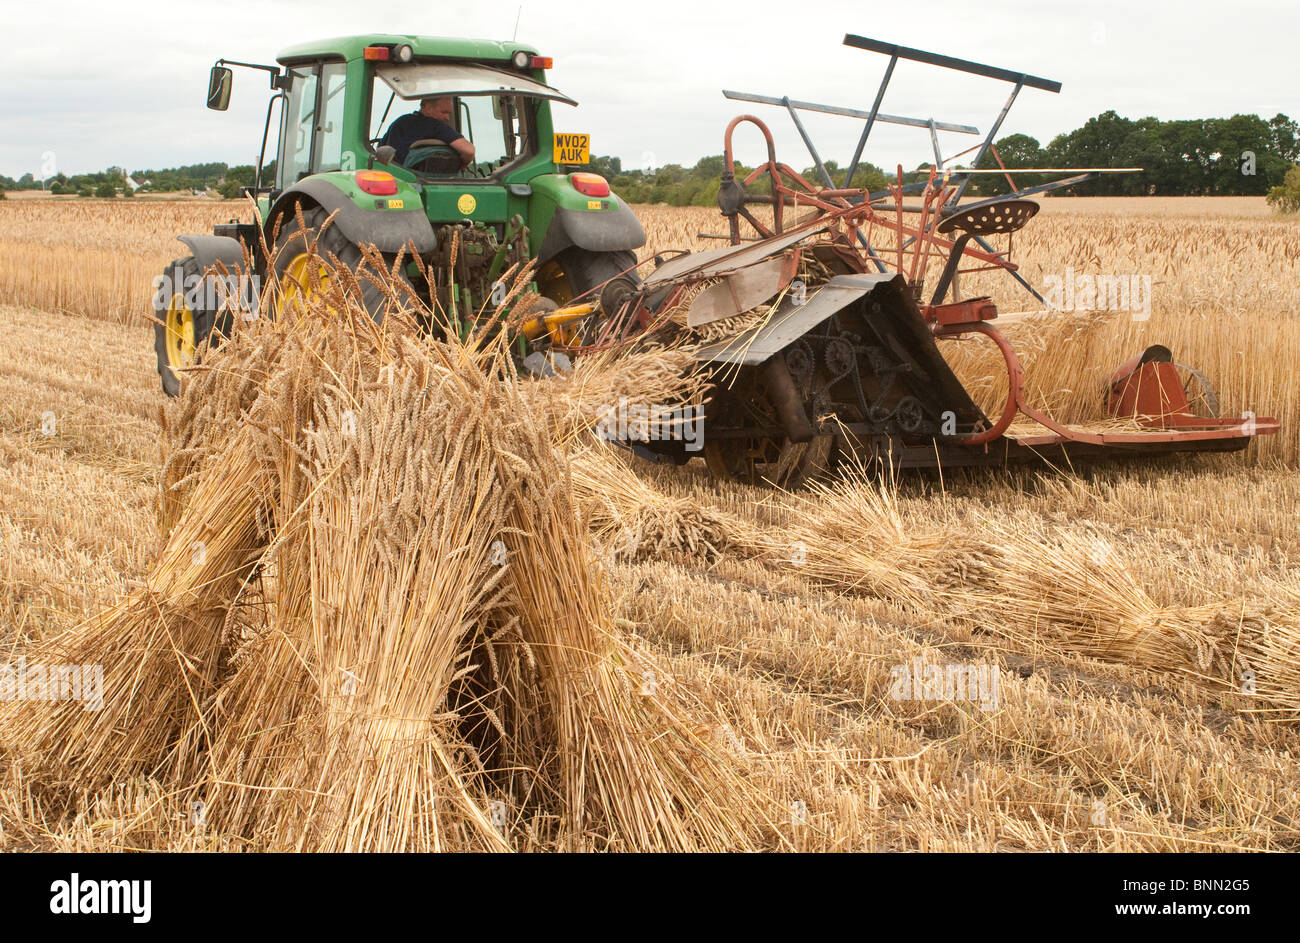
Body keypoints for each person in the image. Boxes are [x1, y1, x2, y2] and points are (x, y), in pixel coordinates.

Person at [380, 97, 476, 167]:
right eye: (443, 112)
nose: (447, 118)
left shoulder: (399, 122)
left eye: (449, 114)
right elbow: (469, 150)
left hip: (397, 178)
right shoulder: (435, 125)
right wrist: (462, 166)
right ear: (428, 108)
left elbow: (381, 151)